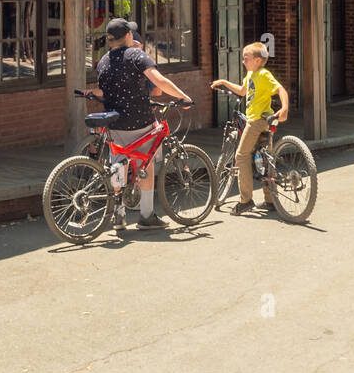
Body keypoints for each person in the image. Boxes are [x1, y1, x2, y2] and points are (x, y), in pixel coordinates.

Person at [86, 18, 193, 232]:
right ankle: (146, 215)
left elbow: (105, 91)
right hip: (139, 121)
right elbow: (159, 81)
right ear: (128, 36)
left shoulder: (105, 60)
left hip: (115, 123)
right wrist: (184, 97)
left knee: (119, 165)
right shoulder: (137, 55)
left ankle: (119, 215)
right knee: (148, 162)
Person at [210, 41, 289, 215]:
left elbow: (281, 90)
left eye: (246, 58)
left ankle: (245, 200)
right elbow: (242, 91)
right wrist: (223, 81)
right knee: (265, 160)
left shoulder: (263, 74)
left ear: (258, 60)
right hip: (264, 121)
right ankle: (270, 201)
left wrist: (284, 108)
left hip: (256, 121)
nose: (243, 61)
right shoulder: (251, 75)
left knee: (241, 155)